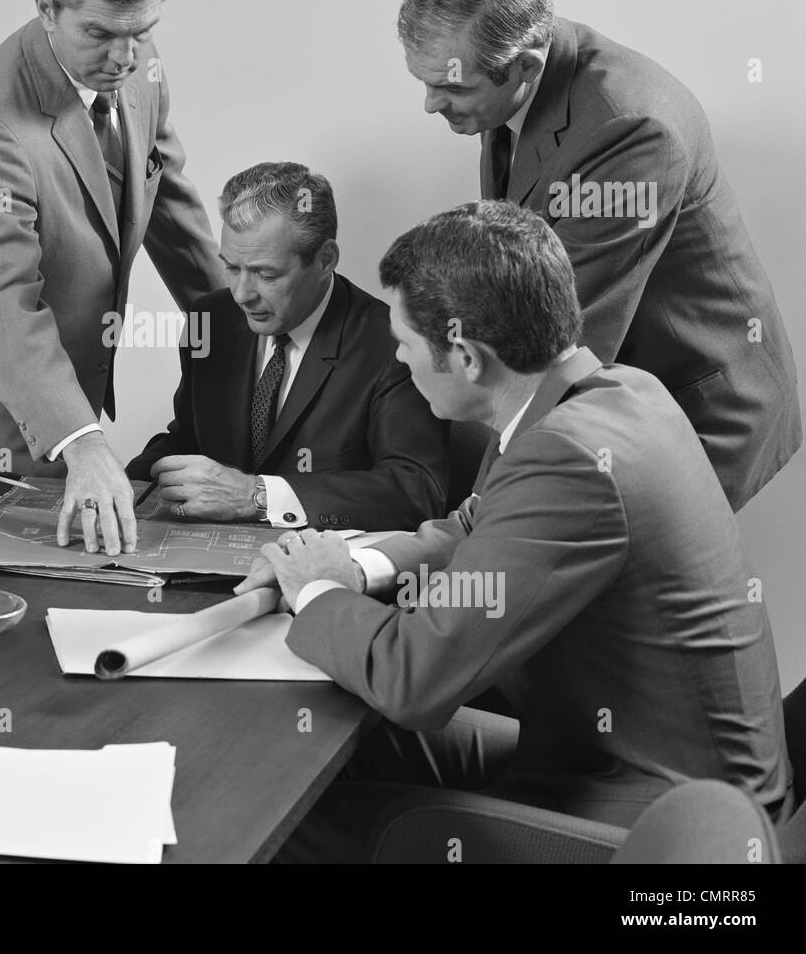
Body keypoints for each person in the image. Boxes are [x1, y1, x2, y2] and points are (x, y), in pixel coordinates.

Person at [238, 201, 792, 860]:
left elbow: (414, 679)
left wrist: (317, 594)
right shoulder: (605, 394)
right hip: (605, 756)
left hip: (656, 825)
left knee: (276, 821)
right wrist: (352, 568)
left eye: (404, 345)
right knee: (326, 748)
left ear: (467, 357)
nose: (397, 361)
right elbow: (473, 525)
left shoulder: (570, 462)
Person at [397, 0, 800, 511]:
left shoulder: (631, 130)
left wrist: (481, 515)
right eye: (427, 81)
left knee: (612, 585)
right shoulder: (506, 73)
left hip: (697, 411)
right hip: (617, 391)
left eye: (453, 89)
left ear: (526, 66)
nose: (430, 104)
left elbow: (558, 338)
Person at [0, 0, 224, 558]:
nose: (124, 57)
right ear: (45, 4)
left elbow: (165, 195)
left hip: (80, 375)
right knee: (13, 574)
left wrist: (242, 320)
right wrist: (80, 438)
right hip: (4, 397)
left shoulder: (137, 60)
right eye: (99, 34)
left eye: (142, 31)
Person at [127, 161, 447, 532]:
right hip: (208, 559)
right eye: (232, 268)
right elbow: (189, 437)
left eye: (265, 274)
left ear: (325, 259)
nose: (242, 294)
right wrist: (124, 480)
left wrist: (257, 495)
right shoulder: (210, 319)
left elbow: (416, 492)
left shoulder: (394, 345)